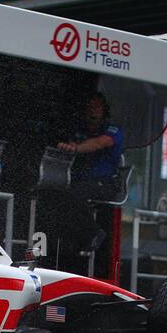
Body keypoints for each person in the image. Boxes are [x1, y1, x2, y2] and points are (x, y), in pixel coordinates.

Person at [54, 91, 125, 258]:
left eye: (97, 107)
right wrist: (65, 146)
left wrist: (77, 148)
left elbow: (99, 143)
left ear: (104, 110)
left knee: (73, 193)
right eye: (89, 107)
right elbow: (69, 144)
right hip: (79, 181)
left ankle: (94, 232)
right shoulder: (79, 130)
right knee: (58, 193)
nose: (93, 110)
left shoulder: (112, 130)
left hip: (105, 184)